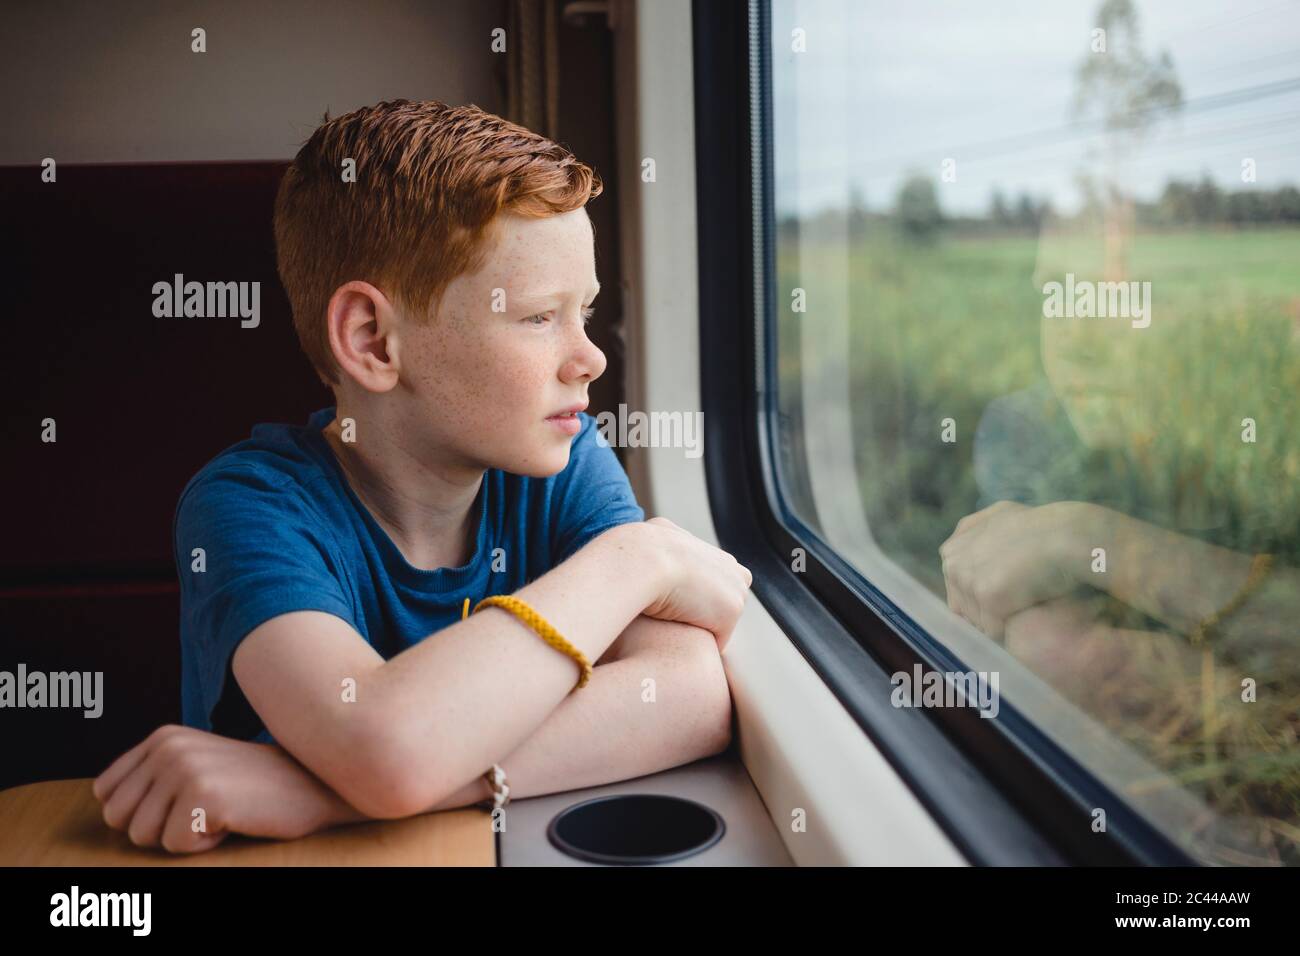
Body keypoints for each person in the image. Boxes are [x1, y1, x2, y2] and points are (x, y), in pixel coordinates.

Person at [91, 99, 752, 854]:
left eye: (587, 314)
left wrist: (317, 794)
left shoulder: (561, 466)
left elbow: (691, 695)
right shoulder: (249, 507)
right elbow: (388, 750)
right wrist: (641, 558)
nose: (591, 358)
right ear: (373, 341)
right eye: (539, 318)